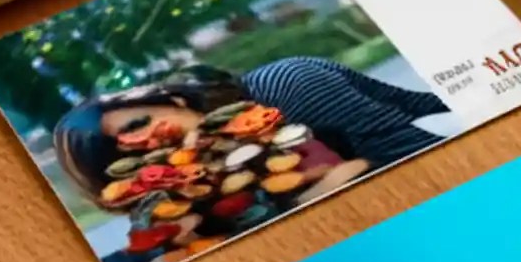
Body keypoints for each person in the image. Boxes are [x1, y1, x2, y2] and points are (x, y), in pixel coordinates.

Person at [54, 59, 450, 204]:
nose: (152, 144)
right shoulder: (188, 196)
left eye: (139, 123)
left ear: (170, 100)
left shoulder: (284, 89)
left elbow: (421, 157)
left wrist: (347, 176)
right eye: (130, 159)